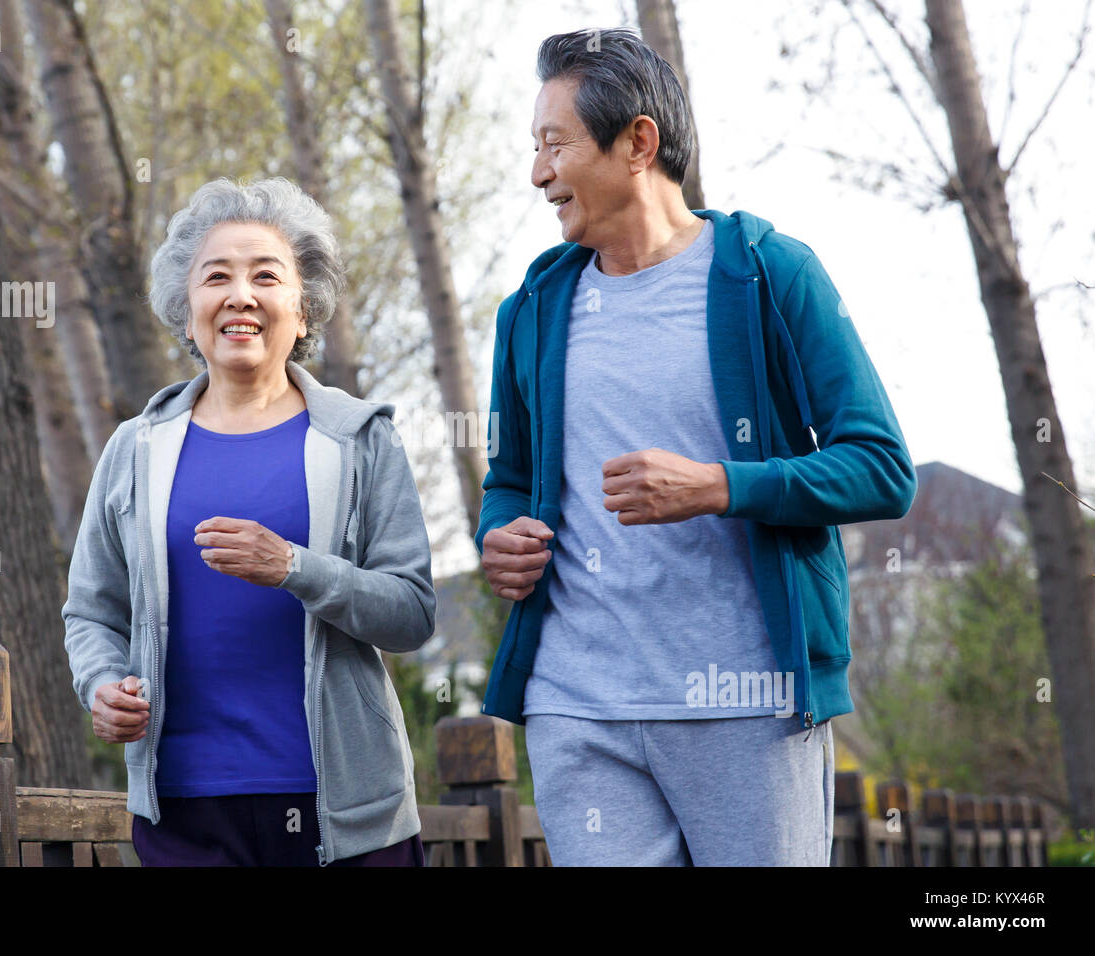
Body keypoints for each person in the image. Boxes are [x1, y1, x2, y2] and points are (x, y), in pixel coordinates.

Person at [476, 28, 916, 866]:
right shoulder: (529, 310)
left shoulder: (770, 274)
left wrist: (723, 485)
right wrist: (498, 539)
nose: (538, 174)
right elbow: (511, 478)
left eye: (554, 145)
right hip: (578, 704)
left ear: (638, 142)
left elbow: (881, 468)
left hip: (749, 704)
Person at [63, 177, 434, 866]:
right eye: (216, 277)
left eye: (266, 275)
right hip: (185, 811)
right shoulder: (134, 450)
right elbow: (89, 611)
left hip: (348, 811)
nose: (240, 295)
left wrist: (295, 567)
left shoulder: (361, 439)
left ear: (304, 308)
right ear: (187, 308)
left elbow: (410, 612)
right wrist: (103, 682)